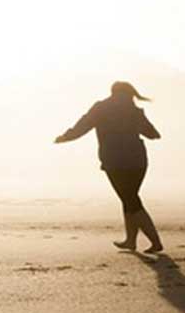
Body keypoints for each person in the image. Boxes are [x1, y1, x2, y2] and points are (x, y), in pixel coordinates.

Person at [55, 81, 164, 253]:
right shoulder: (133, 110)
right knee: (129, 198)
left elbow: (82, 126)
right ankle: (130, 240)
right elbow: (153, 134)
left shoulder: (101, 108)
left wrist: (65, 137)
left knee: (130, 199)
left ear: (112, 92)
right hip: (138, 160)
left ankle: (155, 242)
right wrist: (140, 123)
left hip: (115, 160)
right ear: (128, 94)